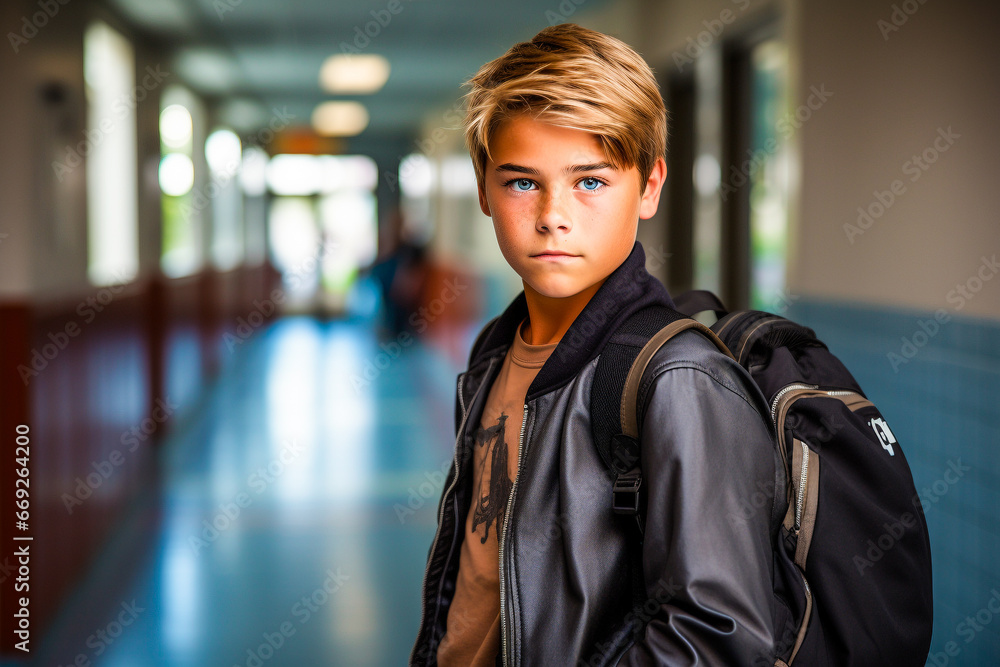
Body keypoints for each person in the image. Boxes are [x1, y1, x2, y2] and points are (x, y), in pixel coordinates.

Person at [410, 23, 783, 666]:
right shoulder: (492, 357)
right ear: (483, 189)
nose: (554, 214)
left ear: (650, 186)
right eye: (522, 182)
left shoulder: (679, 380)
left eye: (590, 181)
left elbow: (715, 638)